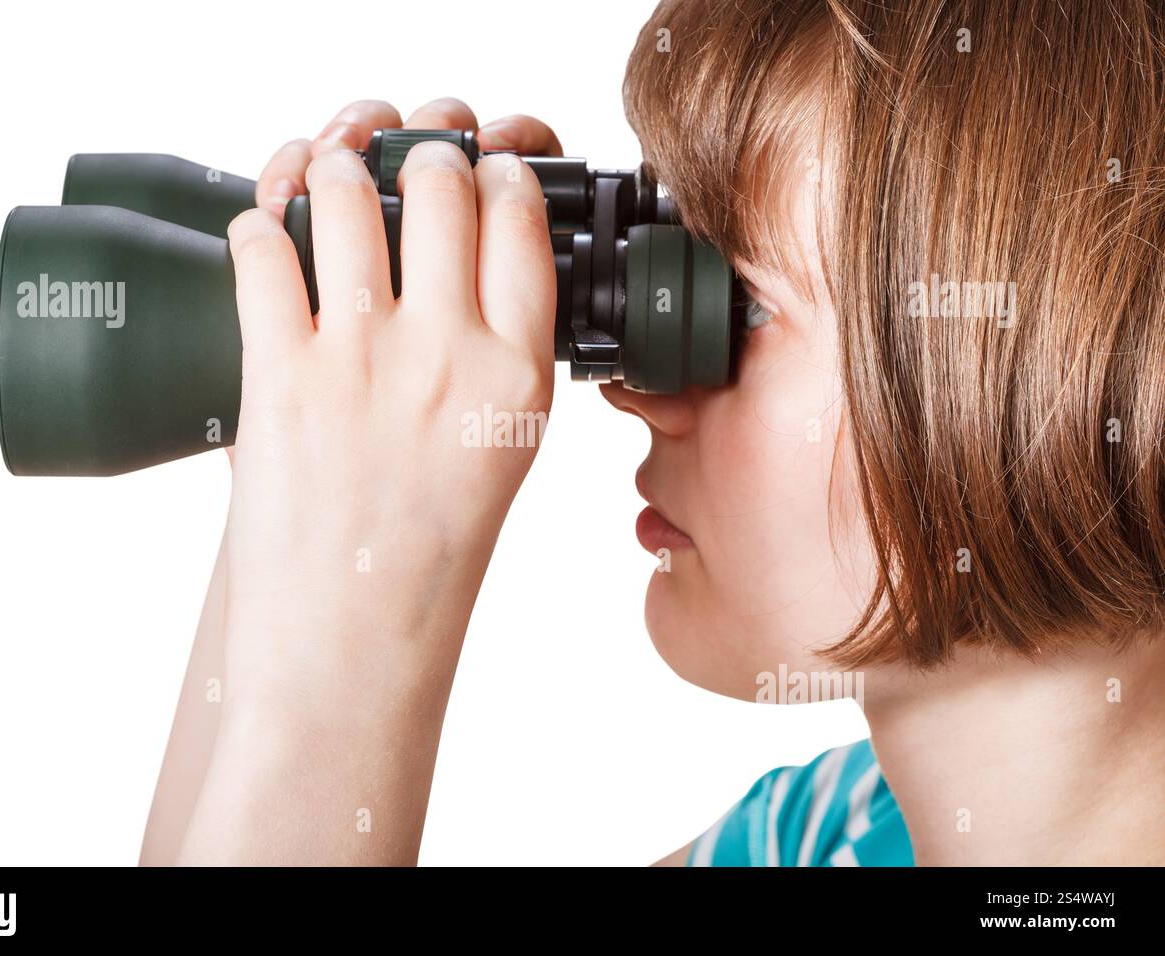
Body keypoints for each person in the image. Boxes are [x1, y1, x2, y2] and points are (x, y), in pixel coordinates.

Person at [140, 0, 1165, 866]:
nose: (638, 392)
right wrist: (297, 455)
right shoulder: (817, 834)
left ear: (1063, 372)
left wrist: (353, 647)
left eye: (746, 308)